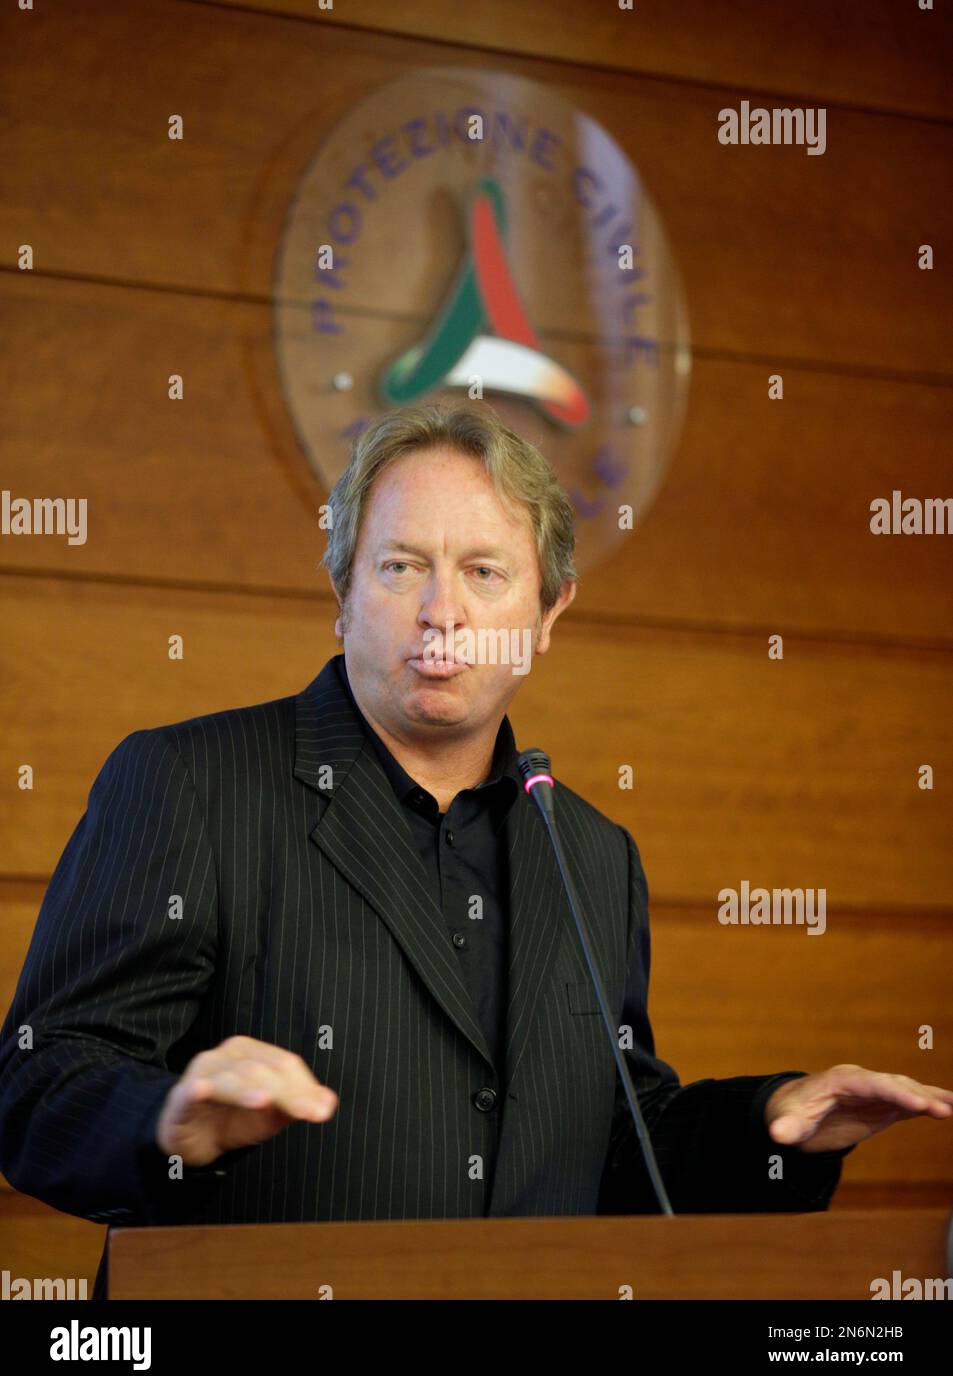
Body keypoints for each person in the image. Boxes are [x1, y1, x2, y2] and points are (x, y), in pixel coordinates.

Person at [1, 403, 950, 1301]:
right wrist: (170, 1123)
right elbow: (40, 1082)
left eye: (485, 574)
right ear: (343, 591)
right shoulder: (189, 784)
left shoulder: (589, 851)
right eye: (402, 567)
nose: (441, 613)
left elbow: (611, 1144)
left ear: (546, 615)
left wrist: (772, 1128)